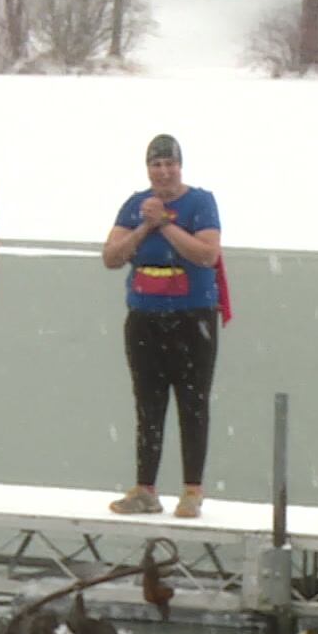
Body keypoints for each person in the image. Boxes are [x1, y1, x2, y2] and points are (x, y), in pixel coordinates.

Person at [102, 134, 224, 519]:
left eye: (170, 164)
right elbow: (111, 256)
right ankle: (145, 489)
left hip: (192, 317)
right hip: (144, 318)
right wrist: (143, 228)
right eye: (157, 164)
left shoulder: (201, 202)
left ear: (180, 167)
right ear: (148, 168)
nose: (164, 171)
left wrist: (166, 224)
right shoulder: (134, 206)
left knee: (193, 402)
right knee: (148, 404)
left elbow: (206, 254)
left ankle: (192, 490)